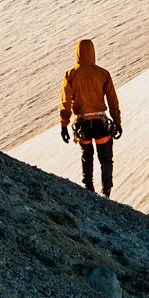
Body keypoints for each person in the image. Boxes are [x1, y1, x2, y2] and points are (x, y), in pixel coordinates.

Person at [58, 38, 122, 196]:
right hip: (101, 123)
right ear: (93, 52)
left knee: (86, 156)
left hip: (81, 125)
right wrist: (117, 122)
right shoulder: (103, 73)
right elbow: (113, 100)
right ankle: (106, 192)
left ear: (78, 53)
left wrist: (63, 125)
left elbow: (65, 101)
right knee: (105, 159)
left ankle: (88, 189)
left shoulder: (70, 74)